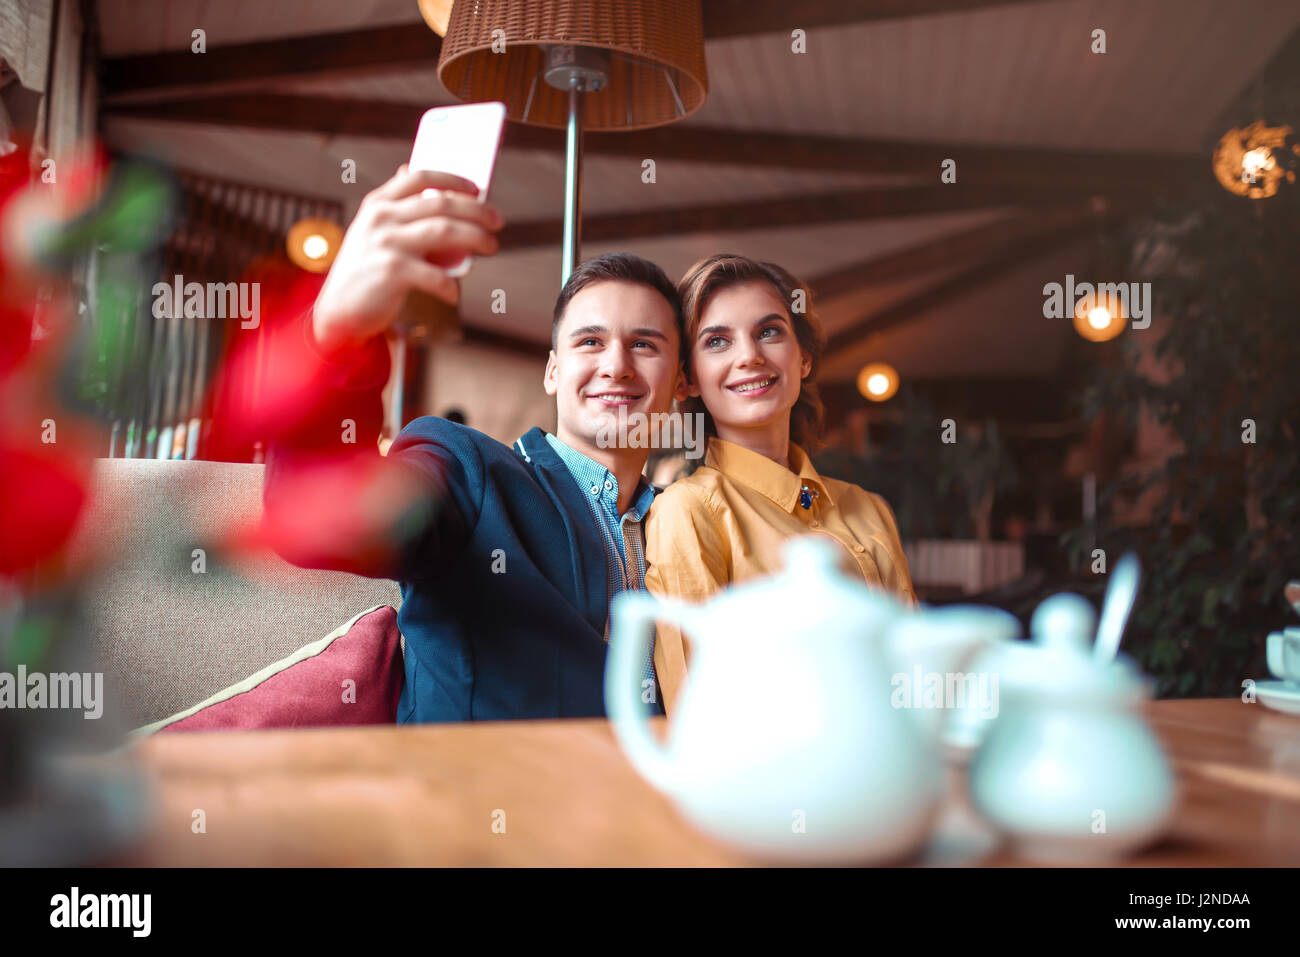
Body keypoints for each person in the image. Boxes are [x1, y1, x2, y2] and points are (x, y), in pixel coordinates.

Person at [263, 164, 685, 722]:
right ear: (553, 372)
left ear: (680, 383)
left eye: (645, 345)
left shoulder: (694, 517)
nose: (616, 365)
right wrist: (335, 337)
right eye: (590, 341)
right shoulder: (466, 471)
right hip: (480, 799)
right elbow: (318, 518)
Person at [643, 254, 916, 714]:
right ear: (686, 380)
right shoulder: (688, 513)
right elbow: (701, 714)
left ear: (803, 358)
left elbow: (915, 672)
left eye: (769, 331)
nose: (749, 355)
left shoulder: (868, 507)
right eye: (717, 341)